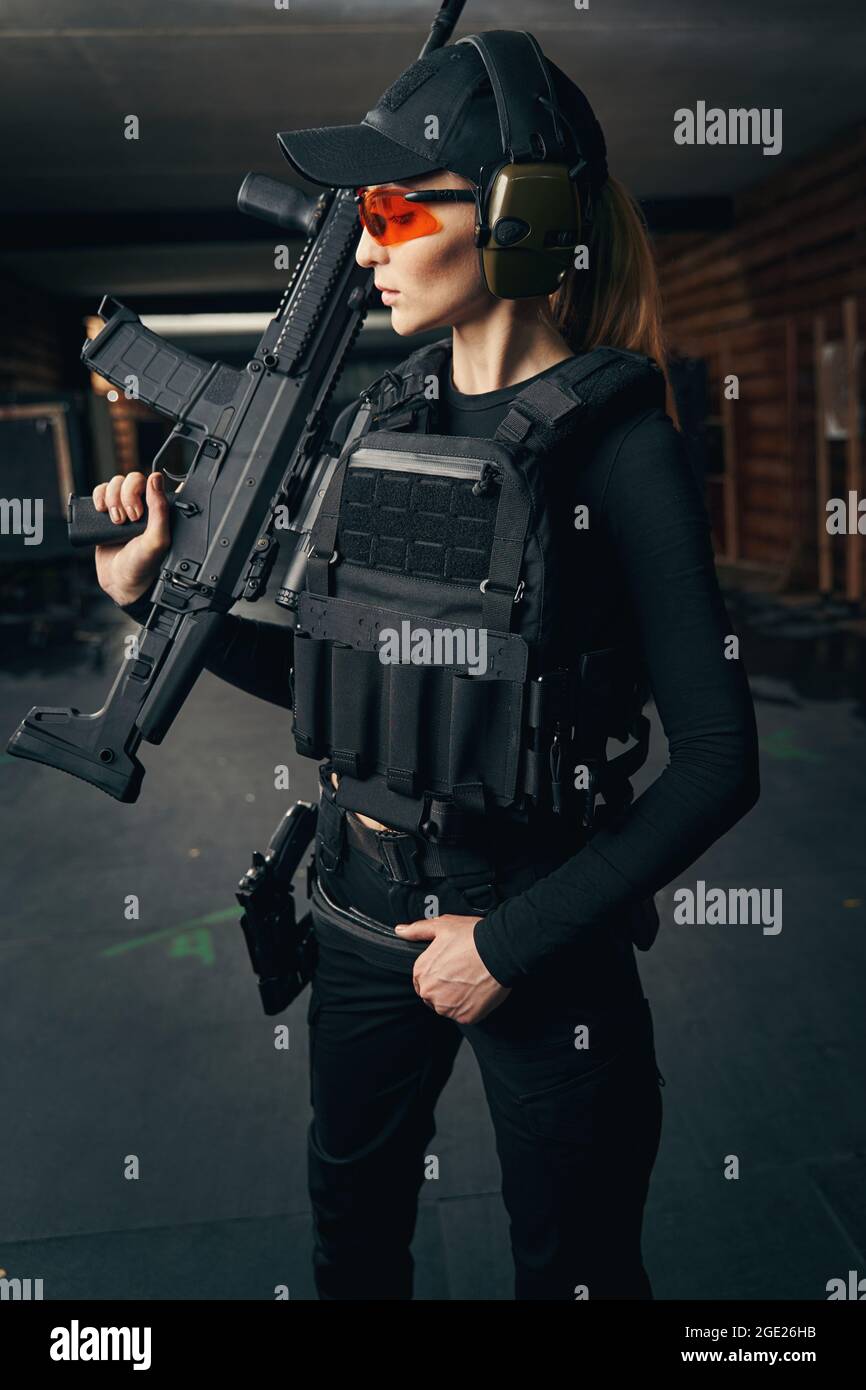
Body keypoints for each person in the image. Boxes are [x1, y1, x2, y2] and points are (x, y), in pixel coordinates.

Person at [96, 33, 760, 1301]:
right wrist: (153, 599)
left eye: (397, 209)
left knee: (574, 1270)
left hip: (534, 932)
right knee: (351, 1249)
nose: (363, 248)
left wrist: (504, 947)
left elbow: (719, 763)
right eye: (360, 217)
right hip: (350, 909)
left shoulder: (620, 450)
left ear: (521, 217)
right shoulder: (377, 420)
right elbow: (351, 688)